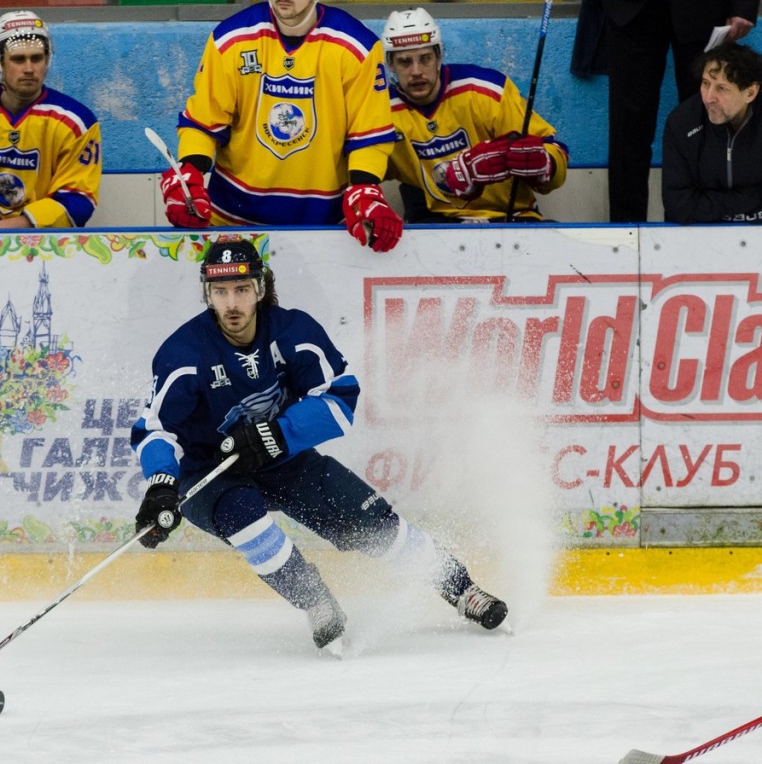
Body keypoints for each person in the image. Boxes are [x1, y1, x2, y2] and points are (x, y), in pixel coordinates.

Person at [129, 237, 508, 651]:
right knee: (245, 517)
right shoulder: (184, 354)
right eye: (220, 293)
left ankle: (461, 589)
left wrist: (278, 436)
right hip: (209, 471)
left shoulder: (293, 331)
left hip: (282, 458)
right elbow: (155, 429)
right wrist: (162, 484)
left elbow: (340, 396)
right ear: (207, 294)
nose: (231, 303)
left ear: (259, 287)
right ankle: (316, 602)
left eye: (240, 290)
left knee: (373, 525)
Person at [160, 0, 403, 253]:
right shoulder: (231, 40)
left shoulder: (356, 47)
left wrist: (365, 188)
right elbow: (205, 121)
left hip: (323, 224)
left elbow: (369, 133)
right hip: (233, 218)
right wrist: (189, 171)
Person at [580, 0, 762, 222]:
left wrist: (744, 3)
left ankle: (697, 225)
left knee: (705, 122)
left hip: (704, 3)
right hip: (631, 4)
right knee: (629, 127)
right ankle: (626, 230)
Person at [382, 7, 569, 223]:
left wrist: (545, 163)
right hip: (437, 226)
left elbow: (557, 158)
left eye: (425, 59)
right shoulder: (382, 112)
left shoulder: (486, 90)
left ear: (439, 56)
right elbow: (354, 172)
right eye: (405, 62)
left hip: (511, 219)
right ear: (390, 64)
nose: (416, 71)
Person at [0, 11, 100, 229]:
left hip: (42, 240)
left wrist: (11, 227)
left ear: (47, 60)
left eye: (37, 58)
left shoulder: (76, 121)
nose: (29, 69)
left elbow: (79, 199)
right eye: (18, 59)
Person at [661, 43, 762, 224]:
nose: (708, 98)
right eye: (705, 83)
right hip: (694, 238)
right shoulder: (682, 122)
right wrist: (753, 197)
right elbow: (678, 205)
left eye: (721, 88)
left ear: (750, 92)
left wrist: (712, 204)